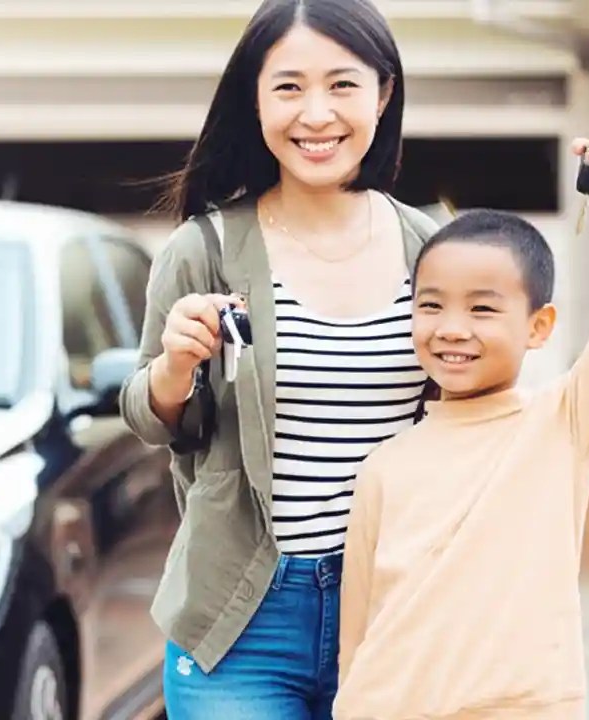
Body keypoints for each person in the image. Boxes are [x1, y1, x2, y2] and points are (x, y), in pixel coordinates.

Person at [117, 0, 439, 716]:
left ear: (384, 94)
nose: (316, 114)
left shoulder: (432, 250)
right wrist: (174, 367)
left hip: (391, 608)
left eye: (343, 85)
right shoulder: (202, 250)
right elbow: (147, 415)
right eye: (289, 87)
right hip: (242, 616)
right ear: (254, 101)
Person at [333, 123, 589, 720]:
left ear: (538, 327)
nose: (453, 327)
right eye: (431, 304)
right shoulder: (386, 463)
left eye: (483, 308)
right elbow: (357, 628)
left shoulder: (565, 422)